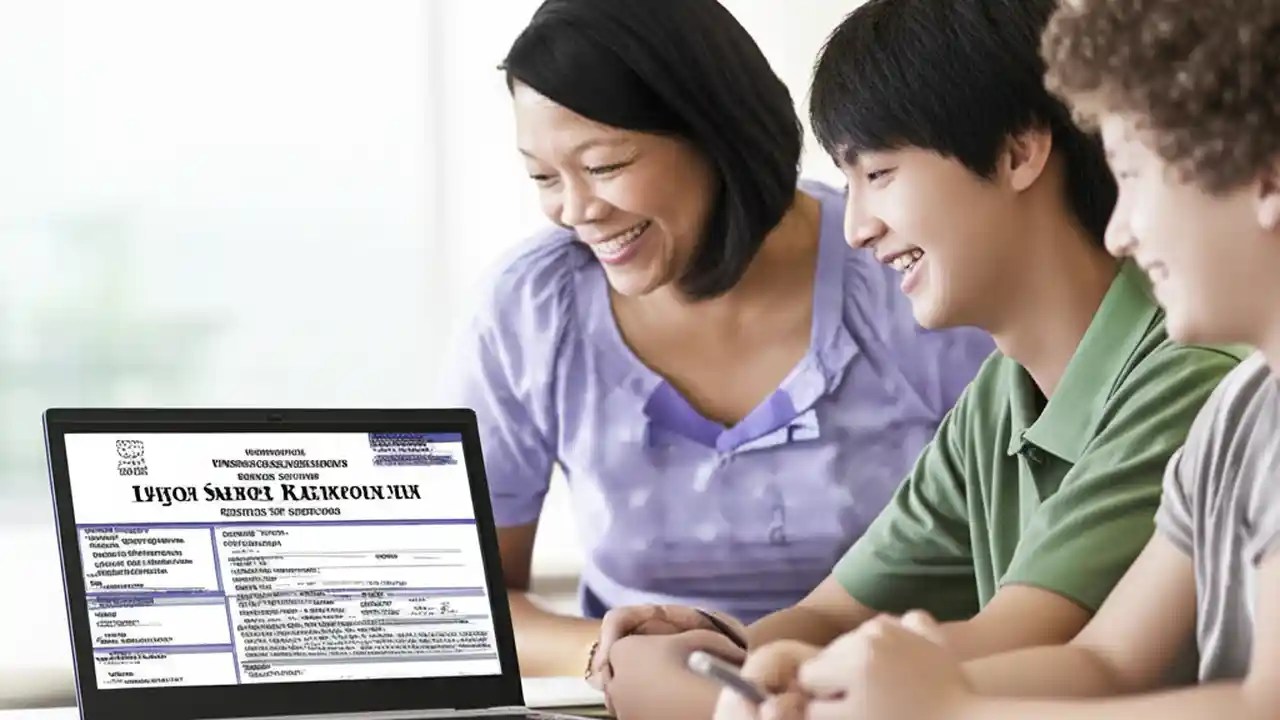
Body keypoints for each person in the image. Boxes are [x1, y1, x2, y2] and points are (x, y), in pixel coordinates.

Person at [589, 0, 1247, 716]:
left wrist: (767, 685)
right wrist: (727, 643)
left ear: (1018, 151)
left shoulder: (1192, 372)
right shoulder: (1002, 394)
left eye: (879, 173)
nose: (858, 228)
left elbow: (1036, 644)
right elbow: (830, 613)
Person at [443, 0, 995, 677]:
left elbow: (1026, 568)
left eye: (606, 165)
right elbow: (474, 600)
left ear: (716, 134)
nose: (576, 209)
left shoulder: (904, 276)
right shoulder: (530, 311)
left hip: (891, 690)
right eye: (543, 177)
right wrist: (614, 654)